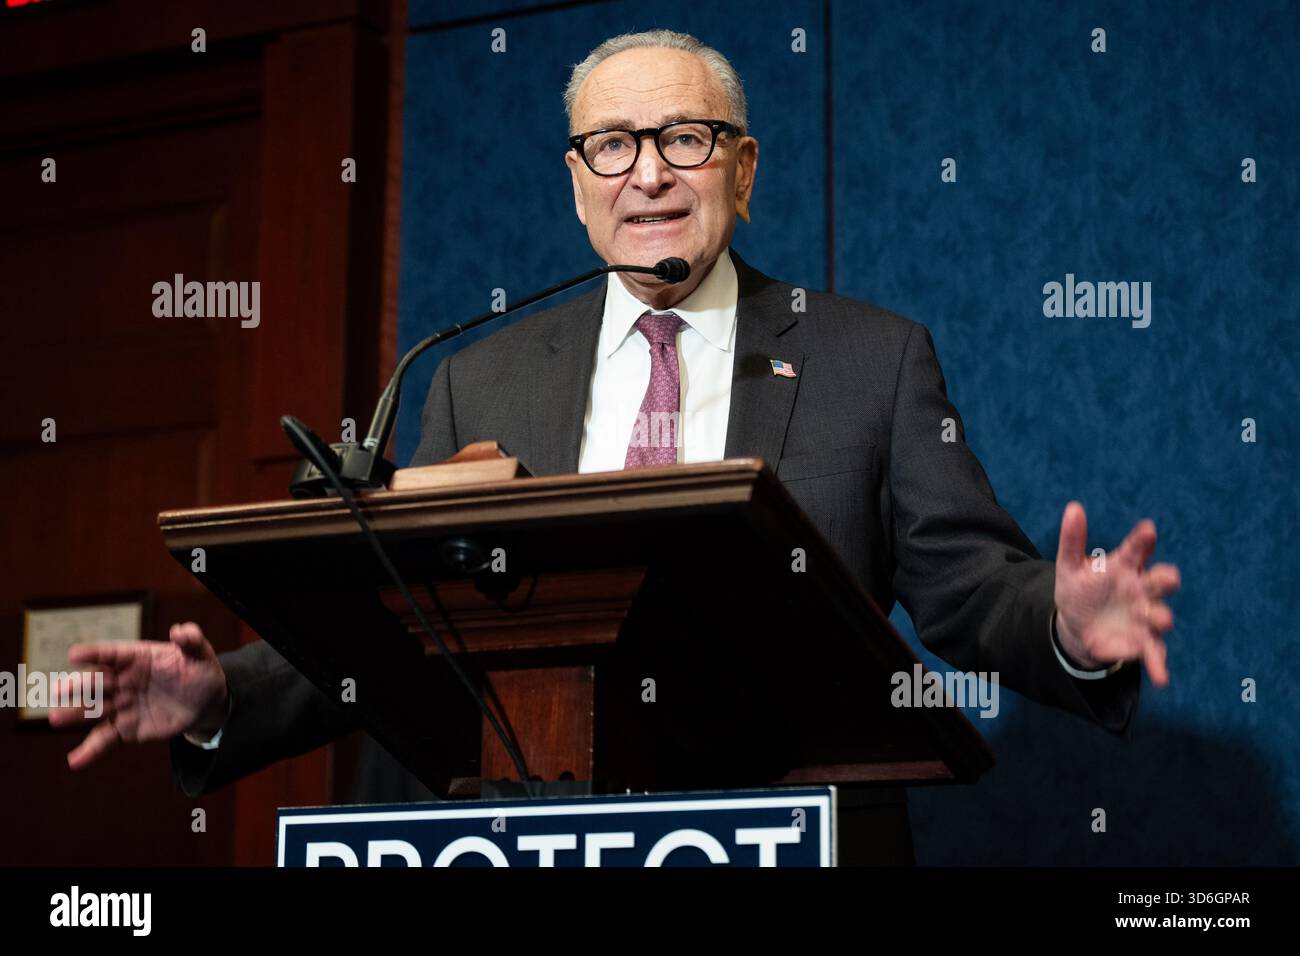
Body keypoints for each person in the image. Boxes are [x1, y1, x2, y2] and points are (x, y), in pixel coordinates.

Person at [53, 30, 1180, 858]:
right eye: (611, 144)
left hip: (792, 831)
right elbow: (405, 624)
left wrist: (1066, 626)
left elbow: (970, 588)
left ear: (742, 170)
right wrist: (217, 698)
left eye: (683, 138)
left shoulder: (867, 359)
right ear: (576, 184)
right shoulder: (473, 373)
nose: (647, 171)